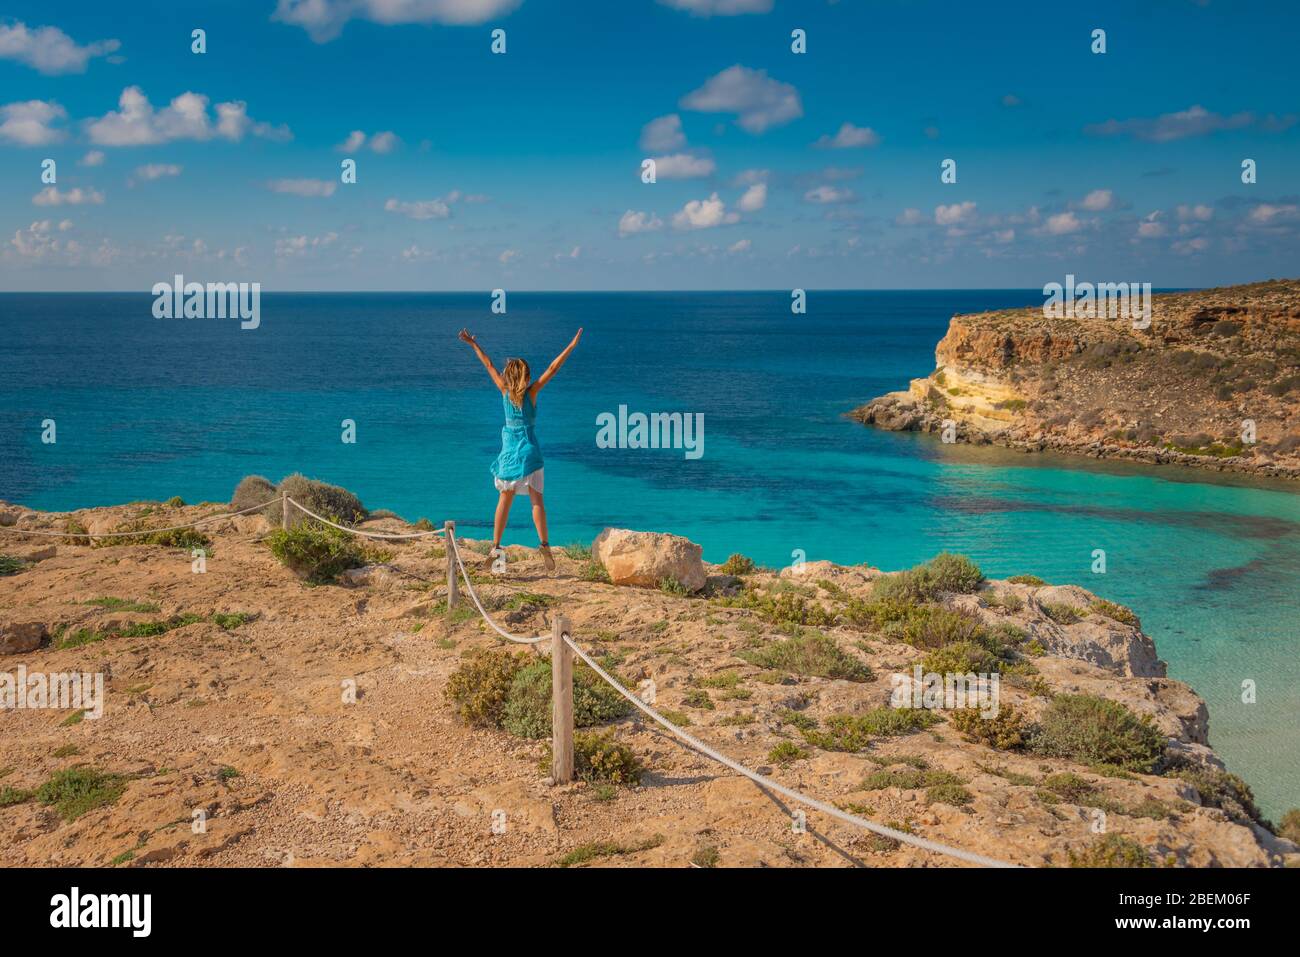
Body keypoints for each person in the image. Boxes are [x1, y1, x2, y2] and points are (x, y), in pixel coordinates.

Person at [458, 327, 582, 573]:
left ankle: (496, 550)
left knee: (504, 499)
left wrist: (473, 344)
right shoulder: (532, 393)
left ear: (509, 376)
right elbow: (553, 369)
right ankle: (545, 546)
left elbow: (489, 365)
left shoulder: (504, 392)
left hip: (509, 455)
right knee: (537, 500)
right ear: (525, 377)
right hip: (531, 453)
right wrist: (571, 346)